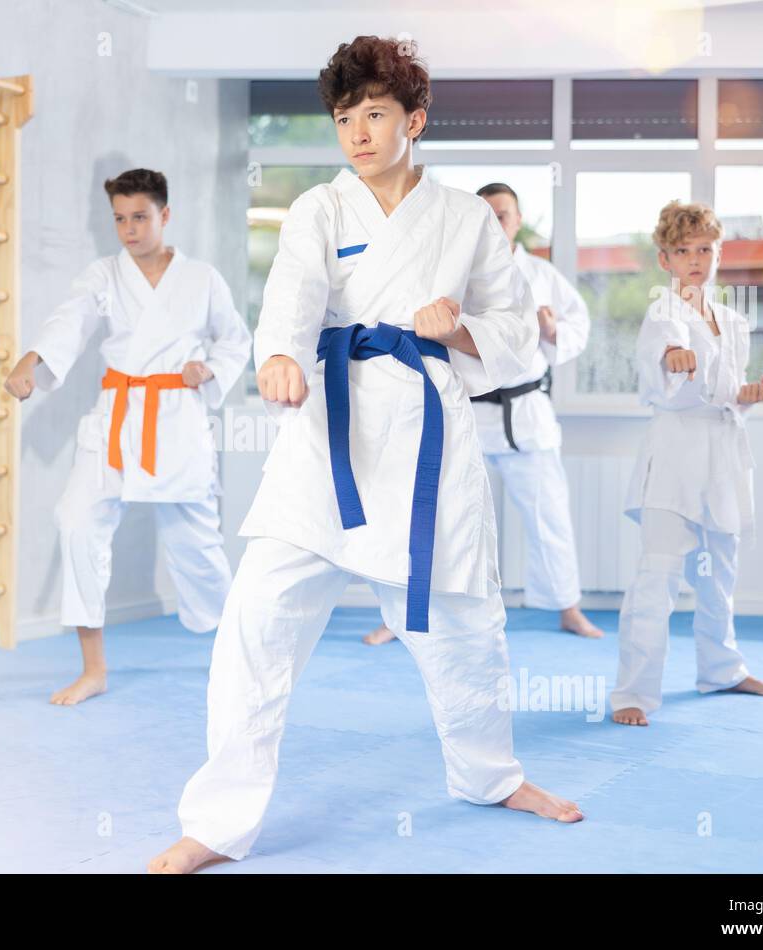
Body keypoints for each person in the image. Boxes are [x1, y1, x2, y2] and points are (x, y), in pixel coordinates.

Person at [149, 35, 583, 874]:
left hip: (427, 440)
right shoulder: (320, 208)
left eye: (375, 114)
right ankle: (217, 820)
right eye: (345, 116)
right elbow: (292, 295)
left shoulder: (463, 217)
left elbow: (519, 332)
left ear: (414, 120)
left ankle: (491, 776)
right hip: (328, 436)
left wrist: (455, 326)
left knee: (465, 626)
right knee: (254, 623)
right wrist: (278, 353)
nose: (356, 131)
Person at [4, 169, 251, 706]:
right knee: (75, 523)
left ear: (165, 215)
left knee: (197, 548)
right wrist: (33, 360)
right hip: (114, 418)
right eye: (120, 218)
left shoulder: (203, 278)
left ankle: (236, 658)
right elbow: (69, 320)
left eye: (140, 216)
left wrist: (208, 369)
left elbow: (235, 340)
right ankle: (93, 668)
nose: (129, 229)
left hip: (176, 419)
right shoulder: (103, 275)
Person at [362, 181, 602, 645]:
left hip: (525, 413)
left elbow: (579, 326)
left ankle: (568, 608)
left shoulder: (542, 275)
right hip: (464, 412)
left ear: (518, 220)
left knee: (549, 514)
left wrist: (553, 332)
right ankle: (402, 614)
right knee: (433, 515)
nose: (495, 221)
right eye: (486, 213)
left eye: (504, 214)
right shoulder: (450, 273)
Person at [610, 199, 763, 726]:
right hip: (673, 458)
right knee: (657, 576)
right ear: (664, 259)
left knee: (719, 574)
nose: (695, 259)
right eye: (683, 250)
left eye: (705, 248)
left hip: (722, 456)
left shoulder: (734, 322)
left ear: (718, 253)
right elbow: (665, 360)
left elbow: (725, 395)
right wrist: (674, 358)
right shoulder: (662, 312)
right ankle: (633, 693)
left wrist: (746, 397)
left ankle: (722, 669)